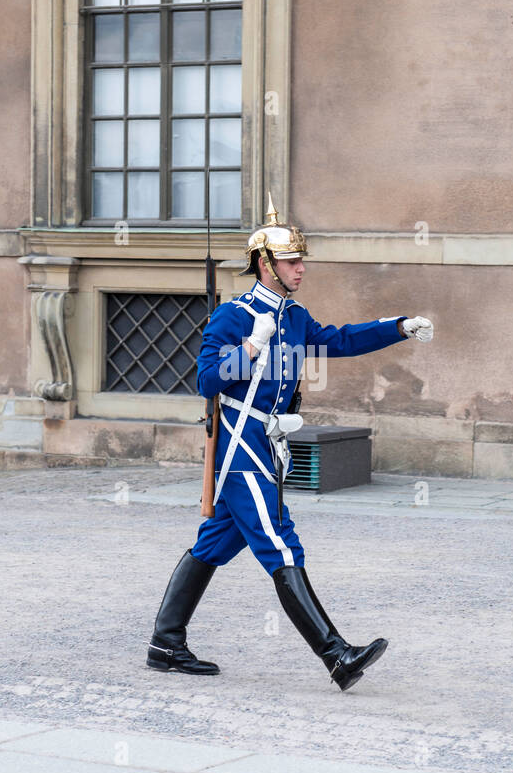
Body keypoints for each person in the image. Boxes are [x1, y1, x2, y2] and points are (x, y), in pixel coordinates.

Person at [147, 197, 434, 691]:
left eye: (301, 261)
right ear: (265, 265)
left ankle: (165, 643)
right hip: (241, 445)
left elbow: (338, 340)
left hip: (269, 440)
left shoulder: (294, 317)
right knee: (280, 543)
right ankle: (336, 654)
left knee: (213, 545)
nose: (301, 269)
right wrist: (252, 346)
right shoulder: (233, 317)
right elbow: (208, 381)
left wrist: (398, 327)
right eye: (291, 261)